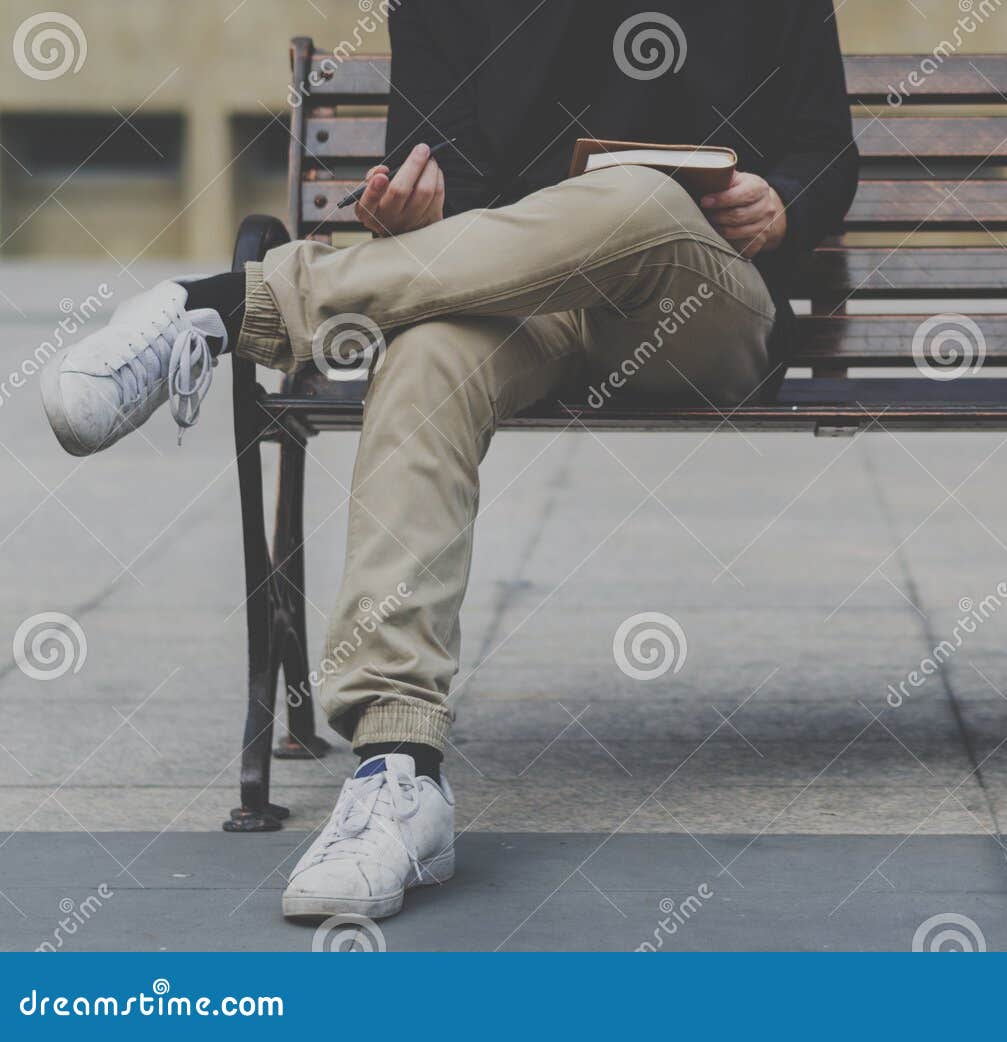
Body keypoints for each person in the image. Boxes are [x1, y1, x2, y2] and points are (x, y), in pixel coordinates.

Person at [36, 0, 858, 922]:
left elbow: (826, 148)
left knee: (643, 199)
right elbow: (441, 181)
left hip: (697, 302)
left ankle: (231, 307)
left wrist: (784, 202)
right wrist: (413, 207)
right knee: (423, 356)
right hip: (520, 299)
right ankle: (398, 772)